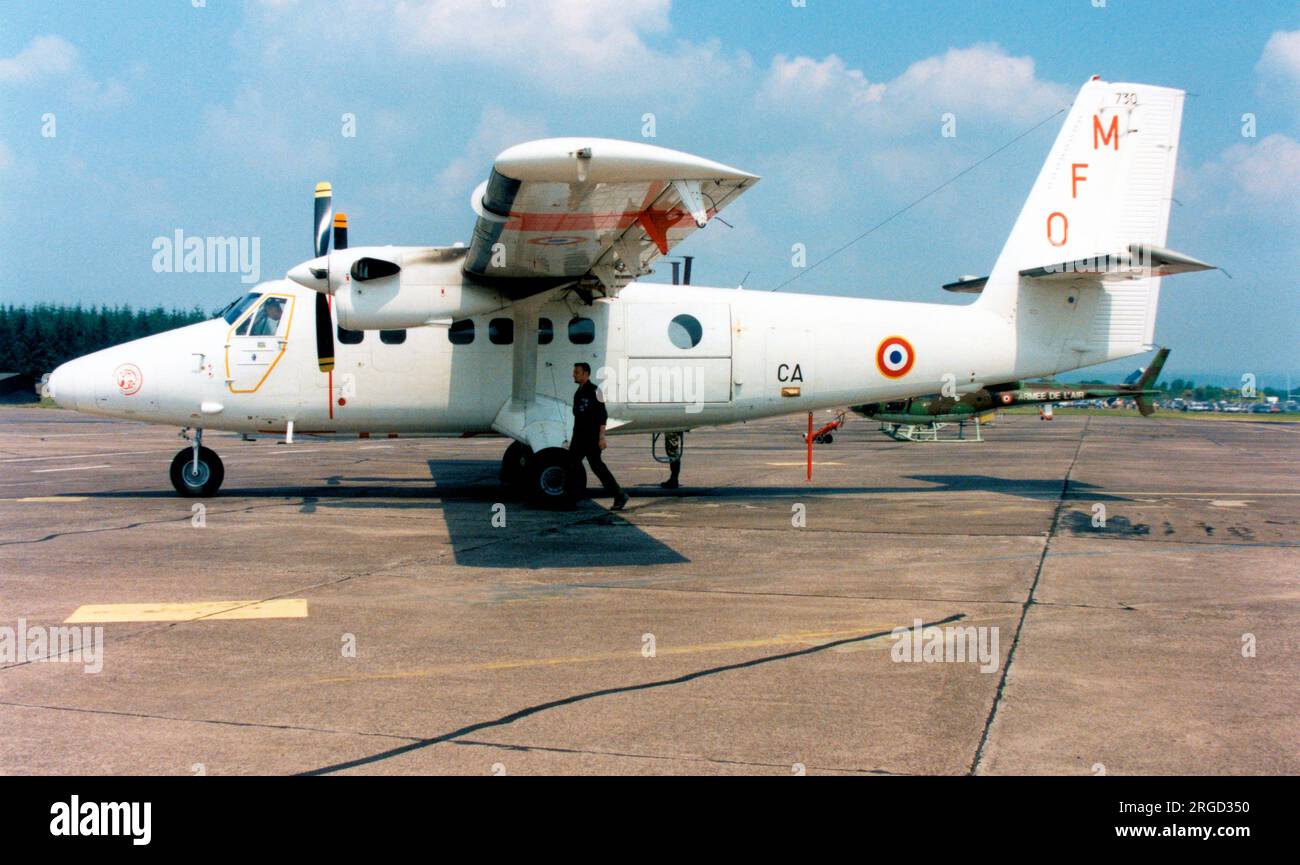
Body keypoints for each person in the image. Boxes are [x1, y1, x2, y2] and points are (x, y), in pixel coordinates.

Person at [571, 362, 628, 510]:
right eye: (574, 372)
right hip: (578, 438)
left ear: (586, 374)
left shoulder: (596, 391)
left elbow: (602, 416)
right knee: (571, 466)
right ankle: (570, 498)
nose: (574, 375)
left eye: (577, 372)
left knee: (597, 467)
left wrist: (602, 438)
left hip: (591, 438)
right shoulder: (579, 392)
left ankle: (619, 495)